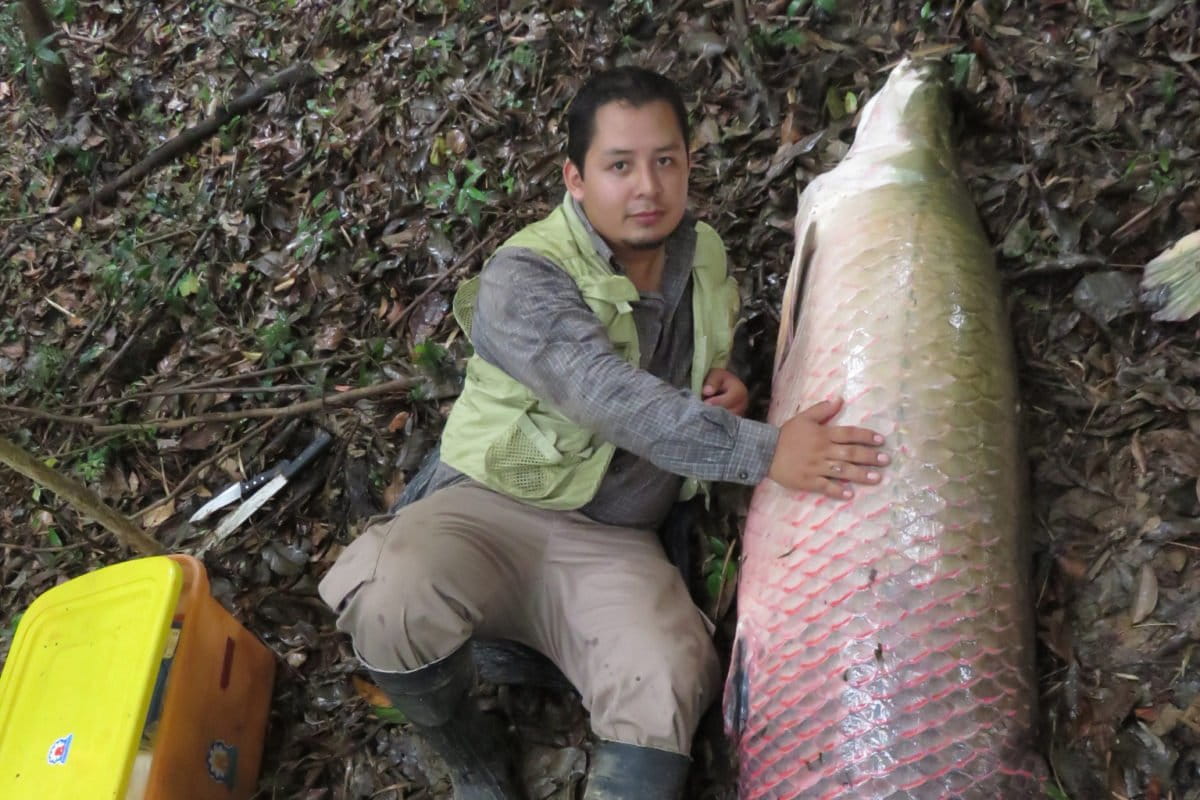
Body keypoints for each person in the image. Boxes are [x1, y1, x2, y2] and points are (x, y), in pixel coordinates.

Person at [319, 66, 889, 800]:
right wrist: (769, 451)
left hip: (615, 542)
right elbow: (606, 394)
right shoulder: (523, 276)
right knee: (390, 598)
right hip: (487, 512)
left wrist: (734, 379)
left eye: (665, 161)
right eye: (619, 165)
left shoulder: (703, 252)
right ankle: (472, 759)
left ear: (688, 164)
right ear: (576, 178)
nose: (646, 187)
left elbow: (712, 353)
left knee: (670, 679)